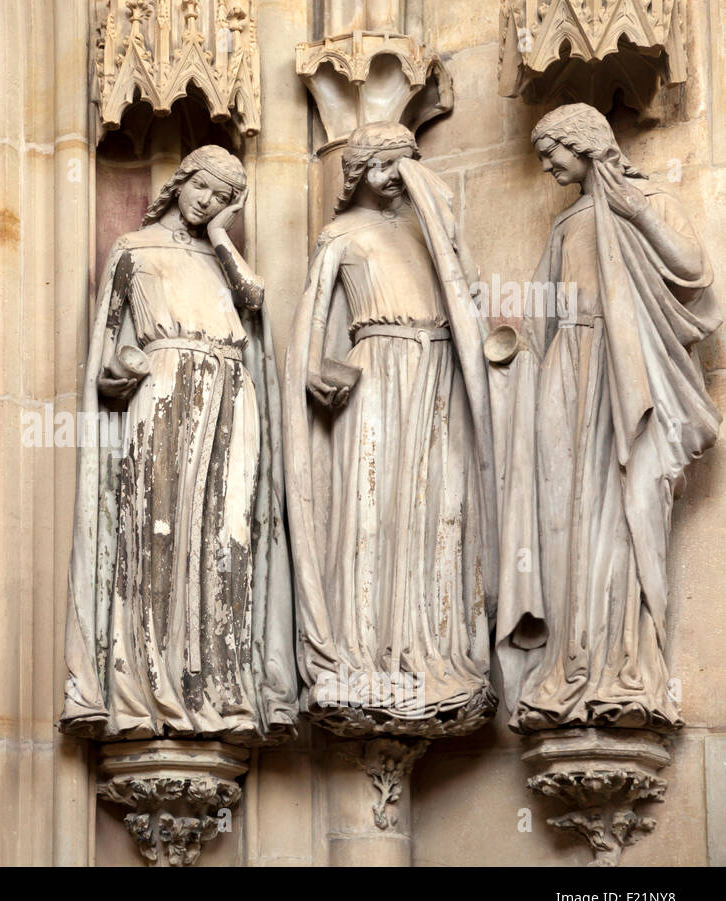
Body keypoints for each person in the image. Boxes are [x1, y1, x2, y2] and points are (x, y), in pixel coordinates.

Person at [495, 104, 721, 732]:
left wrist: (638, 214)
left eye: (553, 152)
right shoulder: (566, 224)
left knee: (626, 512)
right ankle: (571, 661)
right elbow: (539, 321)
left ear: (584, 145)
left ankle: (627, 663)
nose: (545, 165)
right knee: (563, 517)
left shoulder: (646, 201)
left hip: (627, 377)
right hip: (565, 379)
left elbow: (696, 274)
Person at [62, 145, 296, 744]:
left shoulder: (225, 259)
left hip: (229, 394)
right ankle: (143, 688)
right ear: (181, 179)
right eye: (202, 190)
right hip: (163, 392)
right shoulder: (134, 250)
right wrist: (119, 370)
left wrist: (221, 236)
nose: (207, 203)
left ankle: (220, 688)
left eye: (222, 199)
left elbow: (255, 300)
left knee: (226, 540)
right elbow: (104, 348)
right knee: (157, 534)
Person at [283, 122, 498, 737]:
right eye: (381, 164)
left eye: (402, 163)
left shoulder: (431, 239)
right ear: (359, 173)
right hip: (375, 370)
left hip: (438, 374)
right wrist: (314, 369)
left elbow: (468, 297)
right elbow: (309, 327)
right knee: (369, 507)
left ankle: (432, 650)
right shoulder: (341, 234)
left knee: (437, 510)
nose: (392, 175)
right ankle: (361, 652)